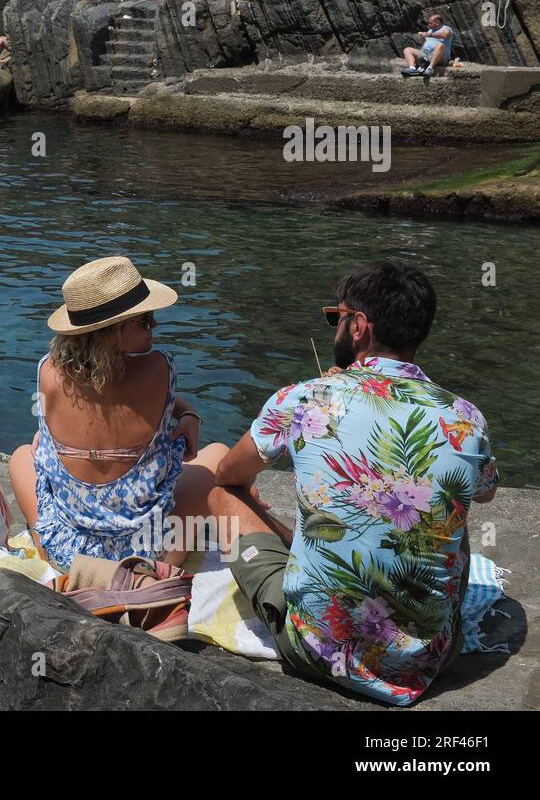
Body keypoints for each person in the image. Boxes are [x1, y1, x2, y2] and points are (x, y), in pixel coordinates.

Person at [209, 260, 497, 706]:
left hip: (316, 652)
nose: (333, 329)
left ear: (359, 326)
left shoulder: (303, 399)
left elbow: (229, 473)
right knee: (445, 515)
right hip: (427, 662)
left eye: (335, 318)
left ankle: (293, 573)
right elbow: (486, 489)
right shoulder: (465, 416)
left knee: (219, 494)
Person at [9, 257, 228, 571]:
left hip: (70, 557)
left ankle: (50, 553)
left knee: (20, 457)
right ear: (113, 330)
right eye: (146, 319)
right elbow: (151, 400)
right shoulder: (159, 368)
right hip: (147, 556)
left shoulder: (48, 371)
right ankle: (160, 572)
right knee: (218, 454)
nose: (155, 325)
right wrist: (189, 415)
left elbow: (99, 401)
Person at [401, 13, 454, 78]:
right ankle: (412, 68)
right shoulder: (430, 31)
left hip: (441, 57)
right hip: (426, 56)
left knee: (440, 45)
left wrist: (430, 35)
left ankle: (430, 68)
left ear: (437, 22)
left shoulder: (446, 28)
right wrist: (419, 54)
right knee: (407, 50)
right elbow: (426, 44)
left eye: (430, 23)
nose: (428, 25)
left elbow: (445, 35)